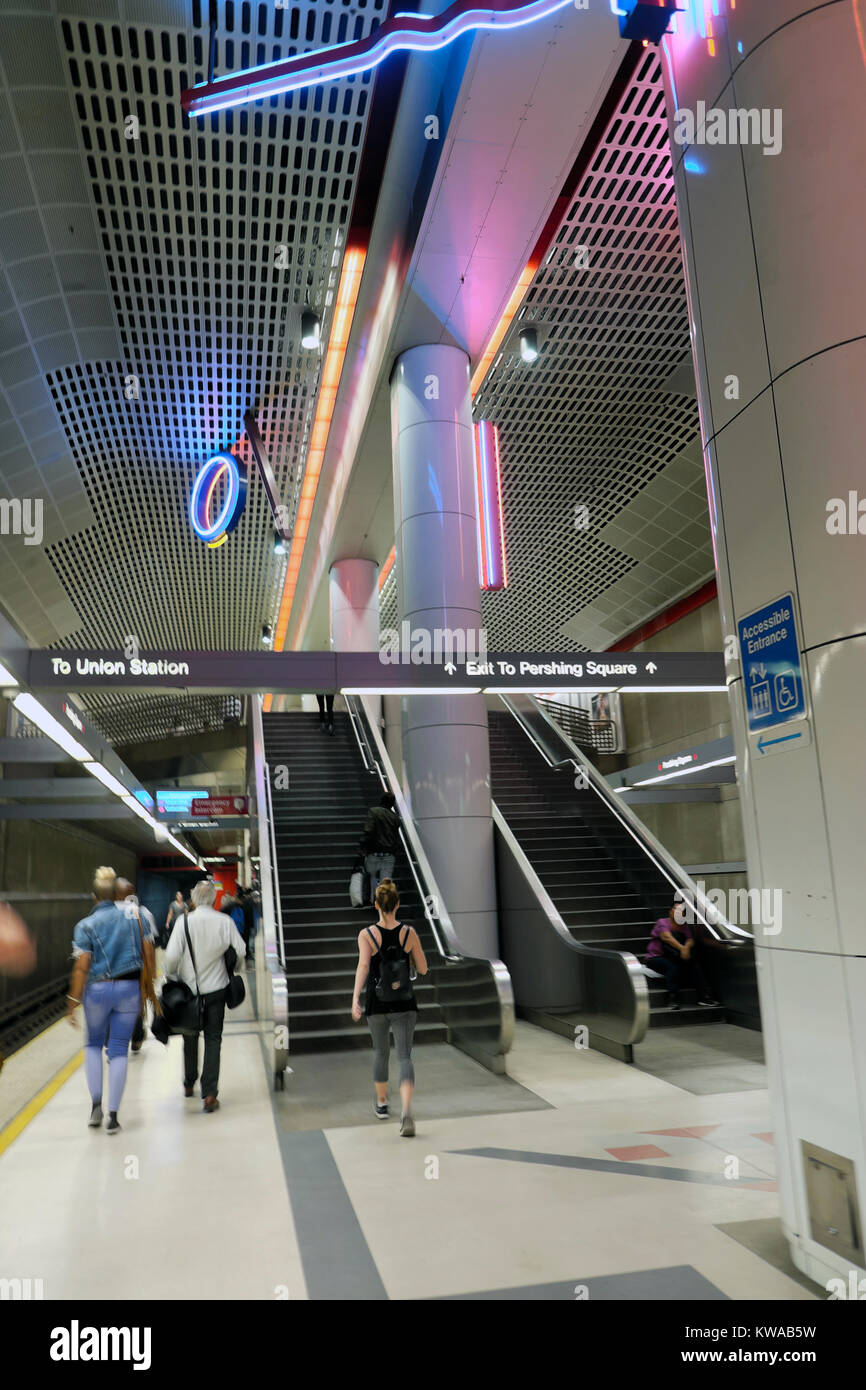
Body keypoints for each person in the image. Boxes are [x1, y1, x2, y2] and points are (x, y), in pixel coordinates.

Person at [66, 866, 158, 1134]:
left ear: (95, 897)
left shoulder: (86, 925)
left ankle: (96, 1106)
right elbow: (148, 952)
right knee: (118, 1049)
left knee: (93, 1046)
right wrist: (146, 990)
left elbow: (82, 966)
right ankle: (114, 1116)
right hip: (129, 989)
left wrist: (73, 1000)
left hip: (97, 992)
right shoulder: (135, 914)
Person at [351, 879, 427, 1137]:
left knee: (380, 1053)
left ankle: (382, 1104)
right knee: (404, 1056)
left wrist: (355, 1000)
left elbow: (362, 967)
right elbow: (424, 968)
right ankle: (406, 1111)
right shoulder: (409, 933)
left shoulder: (367, 935)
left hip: (377, 1002)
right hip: (405, 1003)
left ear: (376, 905)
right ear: (397, 904)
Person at [163, 878, 246, 1113]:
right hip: (217, 991)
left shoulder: (183, 922)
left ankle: (189, 1084)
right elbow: (241, 950)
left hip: (189, 992)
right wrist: (234, 968)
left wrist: (171, 976)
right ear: (213, 898)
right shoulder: (225, 921)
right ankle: (209, 1094)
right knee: (213, 1039)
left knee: (189, 1036)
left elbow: (170, 958)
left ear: (194, 899)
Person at [645, 899, 721, 1011]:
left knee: (695, 965)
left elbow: (690, 939)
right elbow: (666, 937)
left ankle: (703, 997)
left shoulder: (684, 925)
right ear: (670, 911)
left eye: (681, 910)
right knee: (672, 966)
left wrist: (686, 948)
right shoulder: (662, 922)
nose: (678, 912)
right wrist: (682, 949)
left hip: (675, 956)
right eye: (676, 909)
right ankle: (672, 999)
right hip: (656, 958)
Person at [116, 879, 159, 1053]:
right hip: (135, 967)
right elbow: (148, 945)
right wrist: (151, 971)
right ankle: (137, 1034)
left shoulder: (105, 913)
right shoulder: (140, 913)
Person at [360, 792, 401, 906]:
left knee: (369, 875)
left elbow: (368, 830)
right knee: (385, 880)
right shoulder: (395, 817)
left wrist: (362, 845)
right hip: (389, 853)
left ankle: (366, 898)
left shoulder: (373, 812)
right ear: (392, 804)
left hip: (374, 851)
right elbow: (396, 837)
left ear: (381, 800)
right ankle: (381, 901)